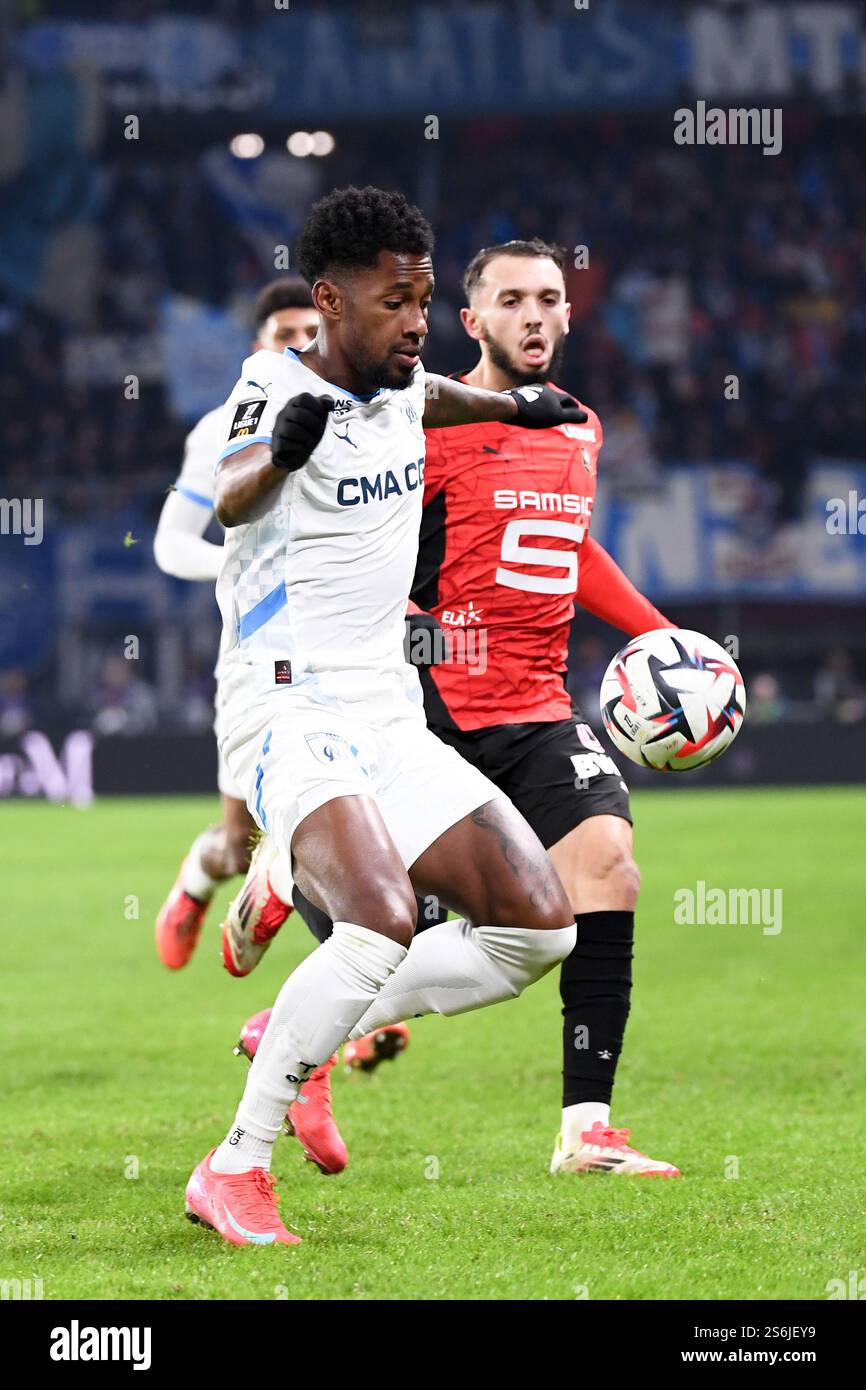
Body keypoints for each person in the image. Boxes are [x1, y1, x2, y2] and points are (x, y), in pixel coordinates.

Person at [228, 238, 682, 1180]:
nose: (533, 314)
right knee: (391, 919)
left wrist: (658, 634)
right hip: (425, 702)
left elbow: (570, 548)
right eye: (510, 298)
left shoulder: (574, 427)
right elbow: (340, 532)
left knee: (604, 872)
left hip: (538, 709)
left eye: (550, 297)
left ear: (568, 313)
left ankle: (585, 1127)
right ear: (473, 322)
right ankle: (289, 919)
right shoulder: (403, 416)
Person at [185, 186, 587, 1247]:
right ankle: (234, 1165)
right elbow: (230, 490)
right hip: (281, 704)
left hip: (382, 712)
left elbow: (435, 399)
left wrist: (514, 409)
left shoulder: (402, 382)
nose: (416, 319)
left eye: (421, 297)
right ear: (328, 300)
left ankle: (299, 1003)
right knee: (376, 919)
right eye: (394, 301)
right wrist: (282, 450)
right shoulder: (274, 383)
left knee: (537, 927)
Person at [153, 279, 319, 970]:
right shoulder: (222, 429)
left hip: (343, 656)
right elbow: (170, 543)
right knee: (239, 841)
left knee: (340, 818)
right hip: (253, 658)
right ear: (260, 349)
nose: (303, 347)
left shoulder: (363, 420)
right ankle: (201, 875)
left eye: (315, 333)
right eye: (287, 337)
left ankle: (360, 994)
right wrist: (240, 570)